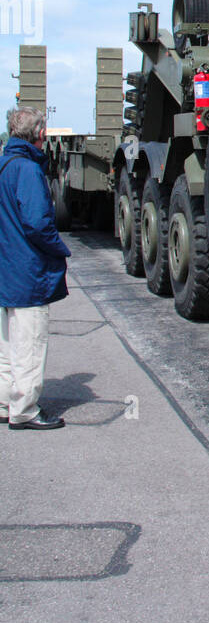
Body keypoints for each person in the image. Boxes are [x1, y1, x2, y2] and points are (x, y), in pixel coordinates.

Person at [0, 107, 71, 428]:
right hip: (26, 269)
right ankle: (25, 411)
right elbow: (38, 224)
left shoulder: (4, 164)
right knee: (29, 343)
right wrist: (60, 249)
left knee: (8, 344)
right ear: (40, 134)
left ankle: (5, 403)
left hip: (6, 267)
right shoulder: (28, 170)